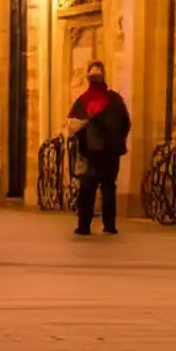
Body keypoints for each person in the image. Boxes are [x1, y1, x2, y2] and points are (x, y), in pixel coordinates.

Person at [68, 61, 131, 236]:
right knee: (109, 186)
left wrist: (81, 144)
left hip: (91, 151)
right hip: (111, 151)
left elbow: (75, 126)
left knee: (87, 188)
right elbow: (126, 123)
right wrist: (118, 141)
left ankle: (84, 226)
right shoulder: (115, 100)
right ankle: (109, 225)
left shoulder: (83, 100)